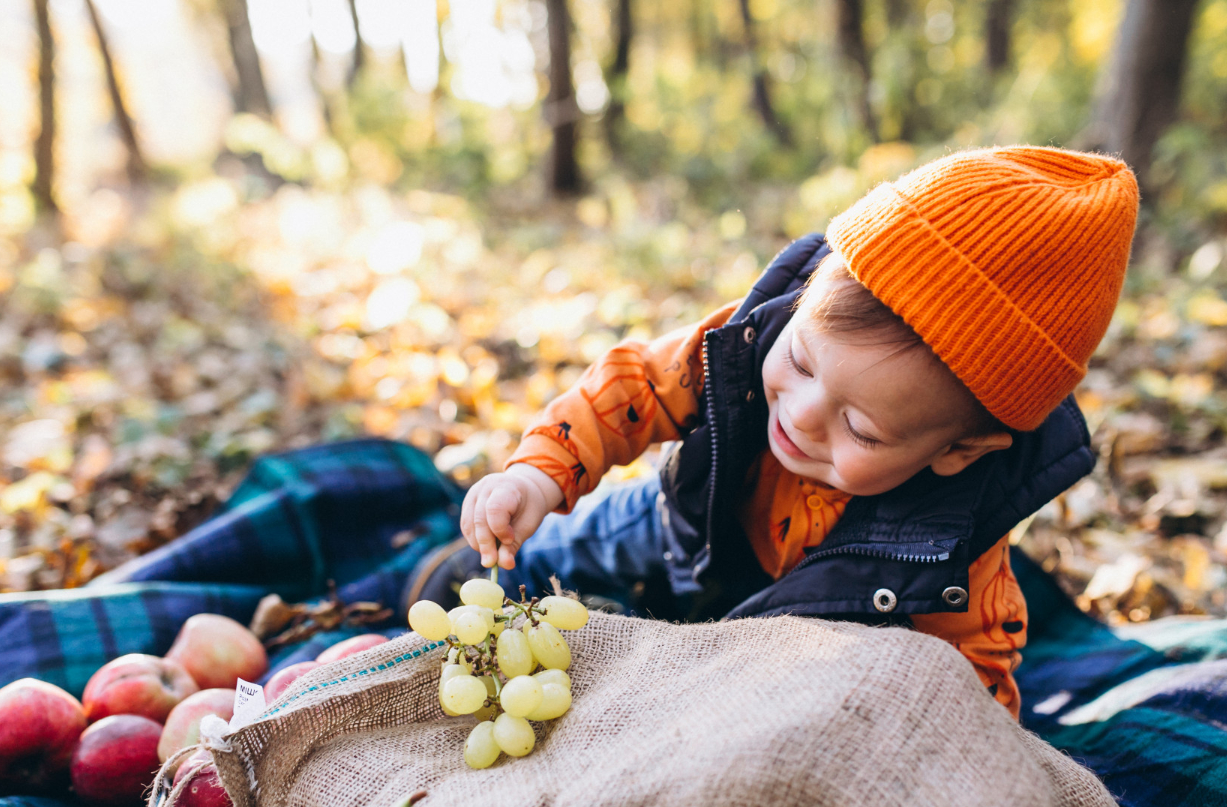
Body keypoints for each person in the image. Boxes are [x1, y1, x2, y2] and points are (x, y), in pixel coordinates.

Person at [404, 146, 1139, 716]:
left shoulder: (955, 554)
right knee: (558, 550)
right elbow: (629, 390)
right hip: (678, 521)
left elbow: (975, 672)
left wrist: (963, 743)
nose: (802, 415)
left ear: (957, 451)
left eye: (862, 428)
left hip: (803, 617)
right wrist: (538, 472)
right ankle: (452, 574)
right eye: (800, 359)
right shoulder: (749, 335)